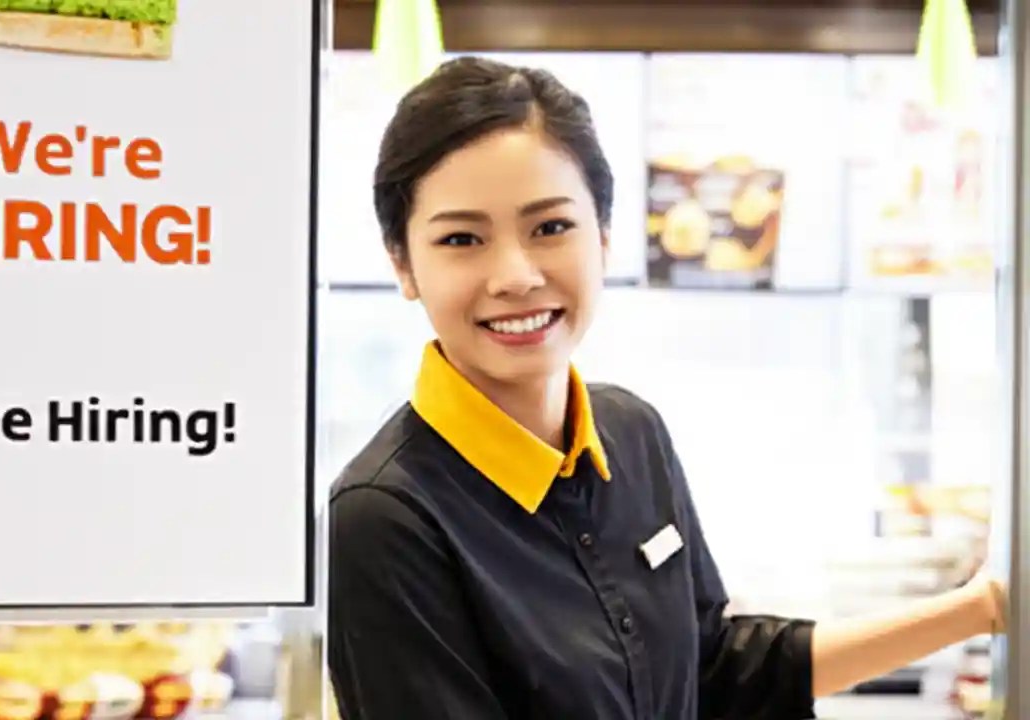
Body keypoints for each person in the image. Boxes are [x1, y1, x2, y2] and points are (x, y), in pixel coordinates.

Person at [325, 56, 1007, 720]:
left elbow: (716, 673)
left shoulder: (629, 432)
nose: (515, 274)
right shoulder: (385, 517)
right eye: (462, 239)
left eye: (551, 227)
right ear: (402, 263)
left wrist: (987, 606)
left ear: (606, 235)